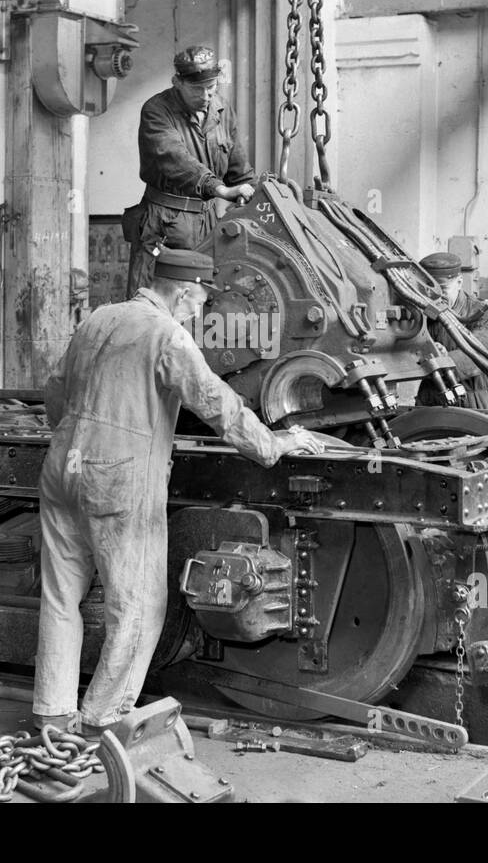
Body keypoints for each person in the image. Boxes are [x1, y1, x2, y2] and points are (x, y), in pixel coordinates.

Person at [33, 248, 324, 734]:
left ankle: (51, 711)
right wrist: (272, 444)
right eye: (201, 300)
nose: (200, 310)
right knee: (140, 604)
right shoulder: (166, 334)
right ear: (185, 291)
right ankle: (101, 719)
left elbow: (55, 393)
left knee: (61, 597)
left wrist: (84, 434)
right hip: (117, 479)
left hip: (63, 468)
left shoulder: (98, 319)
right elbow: (216, 403)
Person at [125, 46, 256, 298]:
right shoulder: (157, 111)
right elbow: (176, 159)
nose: (207, 95)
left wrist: (252, 193)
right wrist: (220, 189)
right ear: (177, 82)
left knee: (200, 304)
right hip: (164, 223)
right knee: (153, 304)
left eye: (212, 87)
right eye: (198, 89)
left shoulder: (222, 110)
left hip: (207, 223)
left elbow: (239, 169)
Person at [418, 251, 488, 409]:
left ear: (459, 282)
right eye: (428, 291)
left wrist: (443, 358)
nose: (436, 296)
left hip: (475, 402)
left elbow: (476, 358)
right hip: (430, 401)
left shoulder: (484, 315)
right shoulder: (421, 313)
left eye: (442, 289)